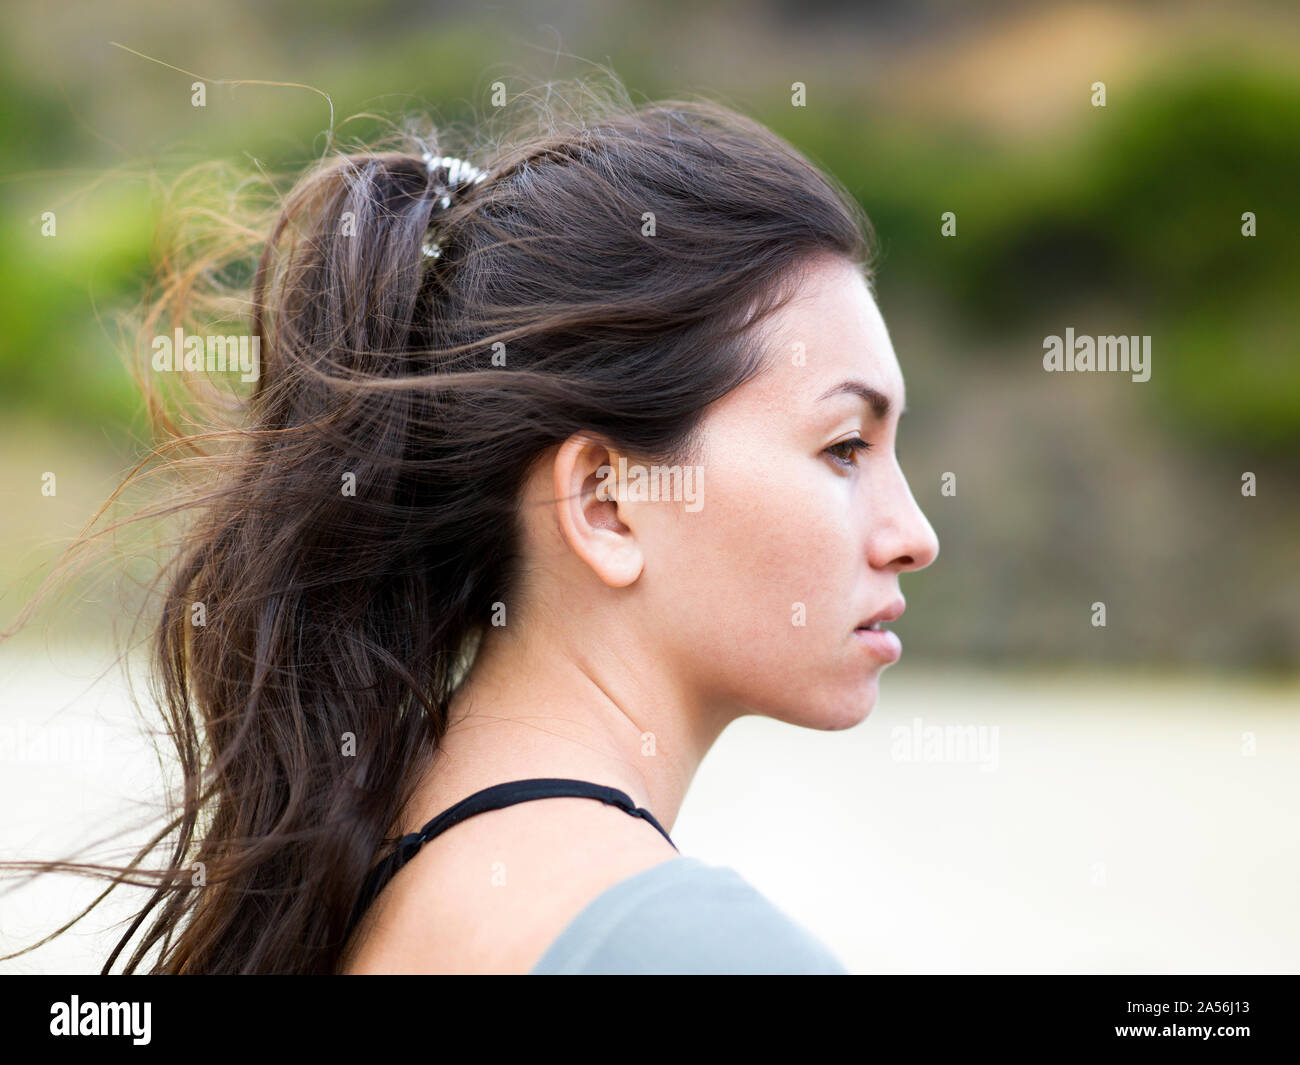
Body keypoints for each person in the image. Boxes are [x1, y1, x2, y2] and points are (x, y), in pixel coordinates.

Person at [3, 78, 938, 974]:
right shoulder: (688, 950)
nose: (912, 534)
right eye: (845, 447)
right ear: (606, 504)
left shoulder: (363, 887)